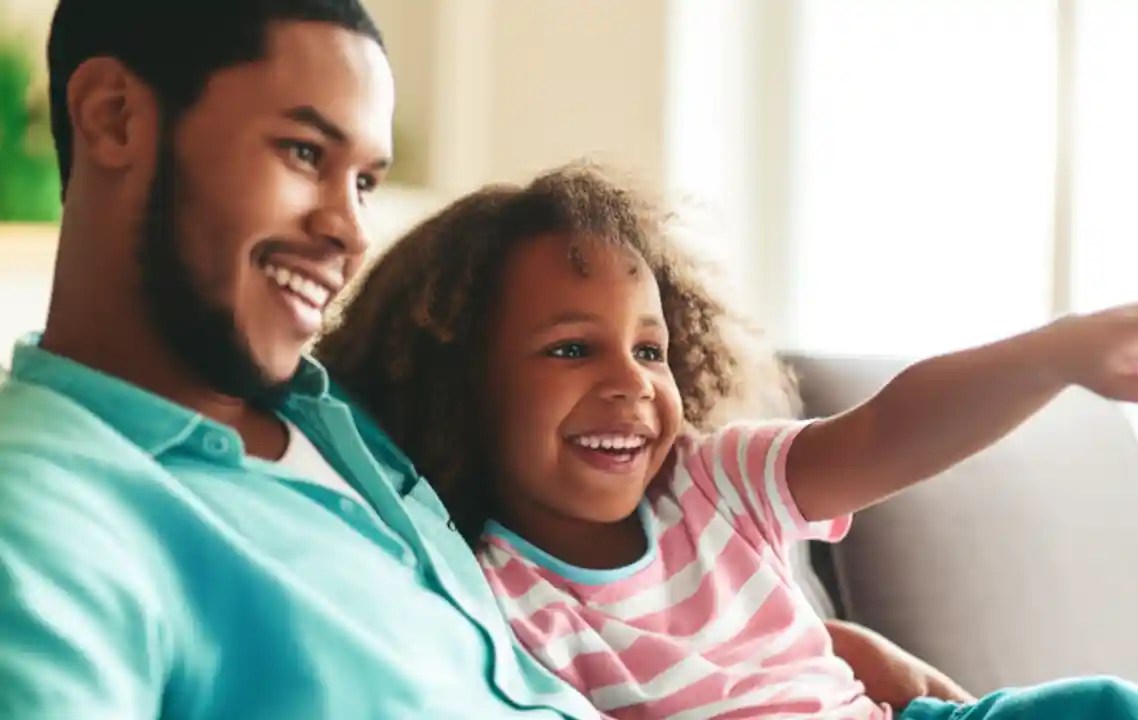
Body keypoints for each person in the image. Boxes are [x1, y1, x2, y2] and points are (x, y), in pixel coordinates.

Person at [0, 2, 957, 717]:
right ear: (116, 117)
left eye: (365, 179)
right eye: (301, 152)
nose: (348, 228)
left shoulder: (354, 417)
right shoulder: (47, 511)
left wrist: (822, 644)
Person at [317, 164, 1138, 719]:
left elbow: (890, 429)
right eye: (570, 348)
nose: (631, 381)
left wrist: (1058, 355)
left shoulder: (712, 484)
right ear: (456, 385)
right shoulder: (492, 597)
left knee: (1107, 708)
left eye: (650, 348)